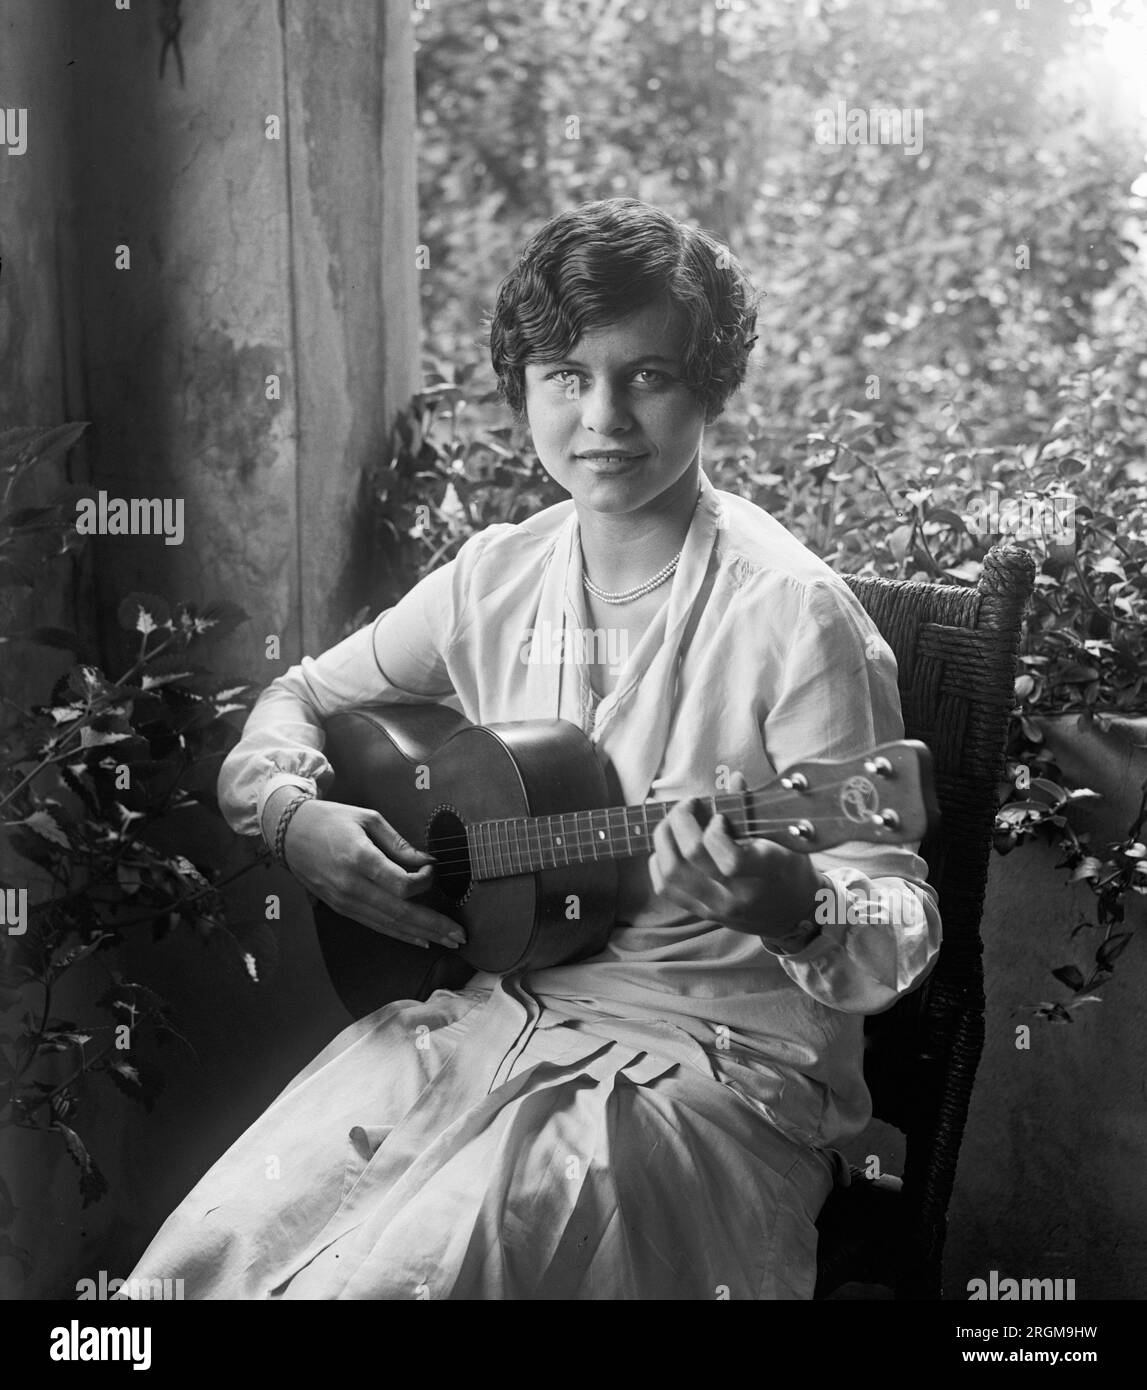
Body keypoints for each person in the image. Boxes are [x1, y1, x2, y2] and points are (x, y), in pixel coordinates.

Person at [122, 197, 941, 1301]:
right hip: (489, 1018)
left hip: (707, 1079)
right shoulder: (493, 576)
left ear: (709, 388)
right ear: (523, 390)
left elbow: (897, 918)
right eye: (565, 374)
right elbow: (297, 693)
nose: (601, 415)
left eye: (646, 375)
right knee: (212, 1263)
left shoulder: (797, 617)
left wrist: (793, 901)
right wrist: (288, 815)